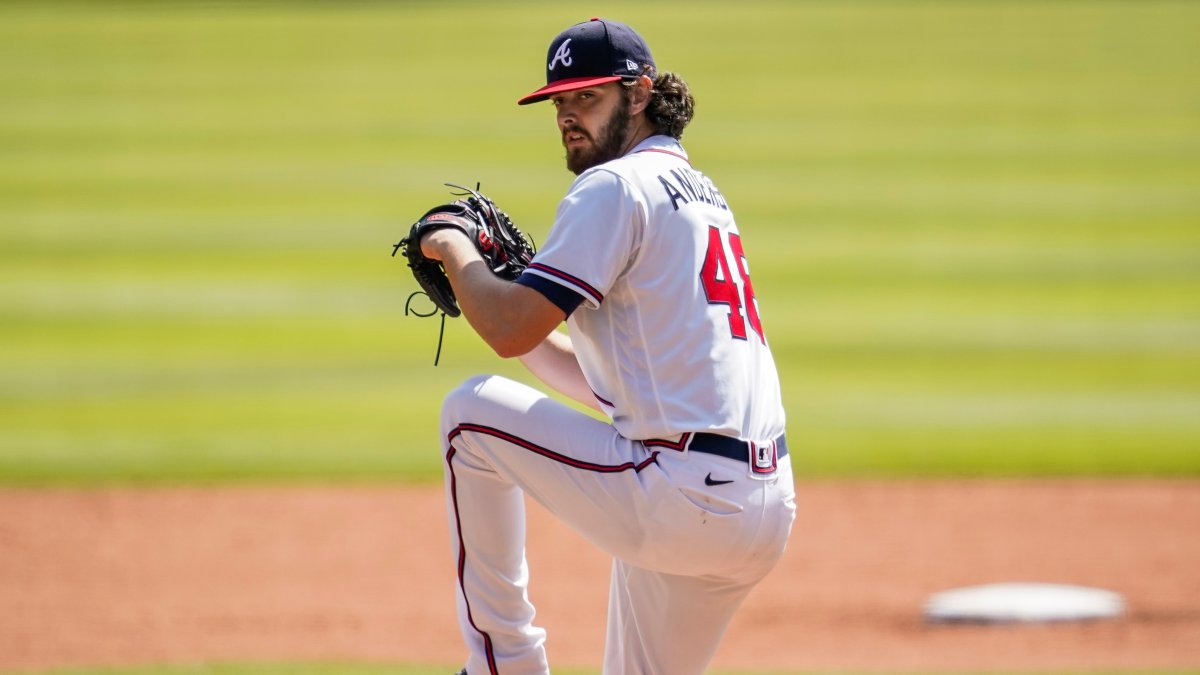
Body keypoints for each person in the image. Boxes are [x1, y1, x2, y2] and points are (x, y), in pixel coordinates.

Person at [420, 17, 796, 675]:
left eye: (587, 98)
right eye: (560, 102)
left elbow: (508, 330)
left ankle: (503, 663)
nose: (569, 115)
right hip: (760, 508)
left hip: (683, 496)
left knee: (469, 417)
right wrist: (506, 286)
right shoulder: (701, 192)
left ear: (641, 92)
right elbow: (607, 379)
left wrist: (452, 247)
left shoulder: (614, 185)